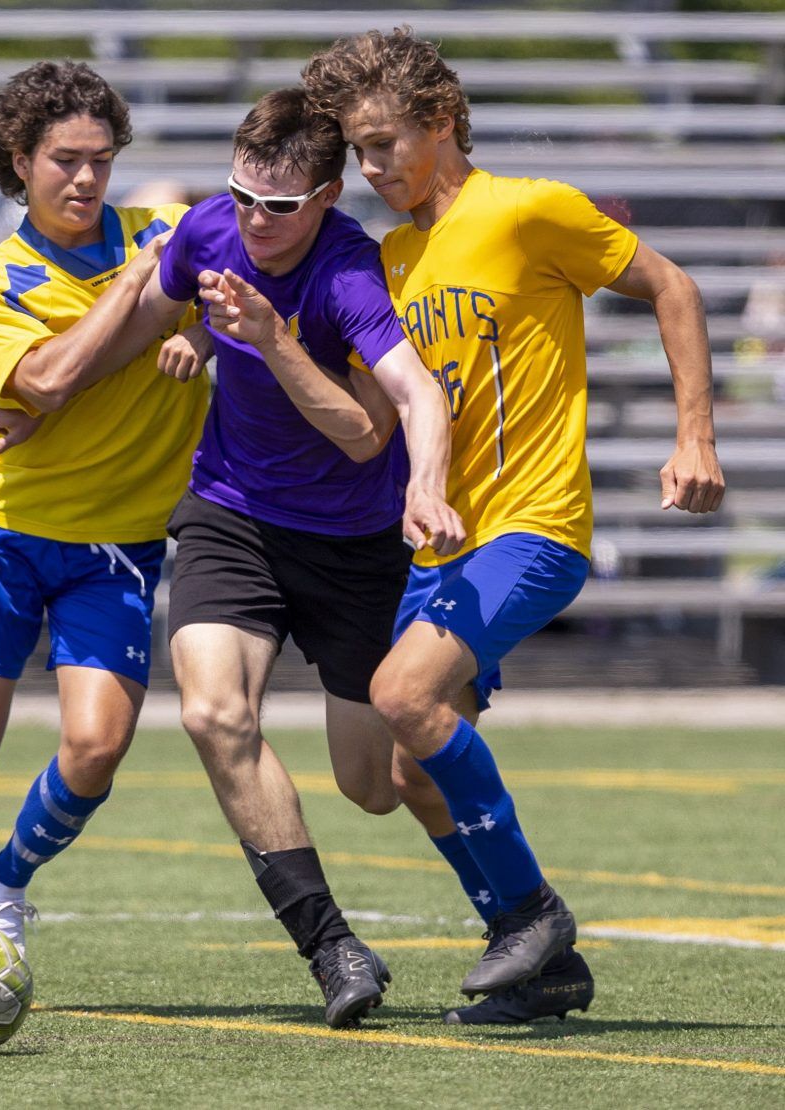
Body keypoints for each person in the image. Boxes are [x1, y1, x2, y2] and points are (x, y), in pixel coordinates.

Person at [0, 87, 462, 1029]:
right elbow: (132, 330)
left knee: (375, 787)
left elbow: (379, 425)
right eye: (242, 197)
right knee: (211, 712)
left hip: (354, 543)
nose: (255, 223)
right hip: (232, 517)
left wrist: (417, 477)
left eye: (279, 206)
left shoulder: (350, 272)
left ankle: (517, 908)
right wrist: (30, 405)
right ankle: (331, 947)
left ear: (324, 199)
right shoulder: (205, 232)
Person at [302, 27, 726, 1025]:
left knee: (400, 692)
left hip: (534, 528)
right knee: (400, 771)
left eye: (382, 144)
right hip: (443, 543)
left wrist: (694, 436)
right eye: (356, 151)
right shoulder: (395, 255)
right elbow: (377, 423)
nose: (369, 168)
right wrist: (266, 349)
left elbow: (674, 286)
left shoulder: (529, 210)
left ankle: (531, 914)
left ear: (441, 123)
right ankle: (544, 972)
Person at [0, 60, 210, 1012]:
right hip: (8, 536)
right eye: (65, 159)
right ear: (21, 161)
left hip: (122, 545)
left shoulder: (167, 236)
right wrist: (144, 287)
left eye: (102, 159)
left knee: (97, 747)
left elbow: (253, 273)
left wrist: (199, 330)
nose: (87, 179)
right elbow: (50, 378)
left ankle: (5, 882)